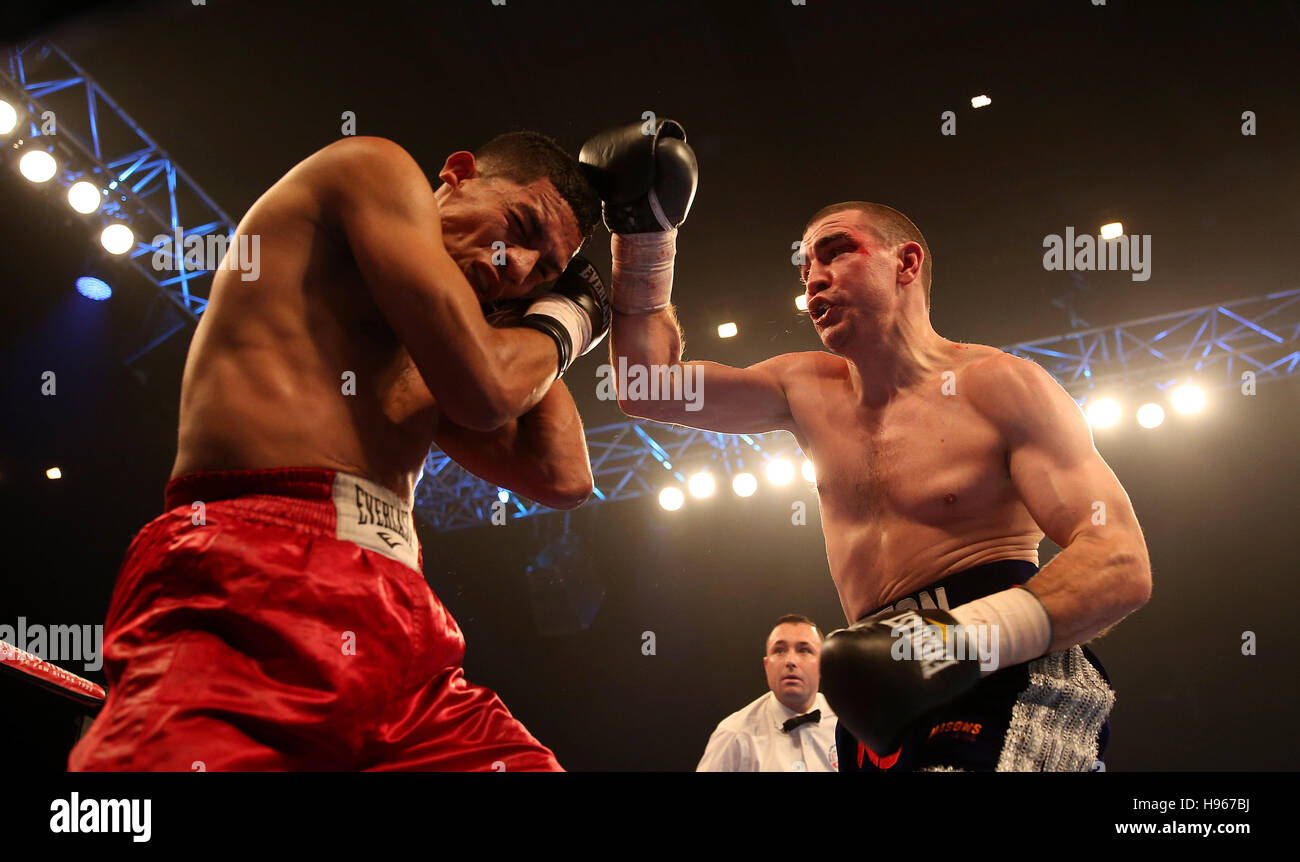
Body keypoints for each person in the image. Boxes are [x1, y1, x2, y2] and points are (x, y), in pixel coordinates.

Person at [585, 120, 1151, 772]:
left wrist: (953, 641)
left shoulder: (1001, 385)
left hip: (1004, 664)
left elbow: (1119, 562)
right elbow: (644, 386)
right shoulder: (802, 387)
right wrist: (644, 232)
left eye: (835, 253)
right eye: (805, 267)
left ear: (905, 263)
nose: (813, 280)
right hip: (876, 689)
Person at [69, 131, 609, 771]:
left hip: (403, 621)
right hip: (252, 574)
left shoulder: (453, 345)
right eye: (518, 226)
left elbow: (563, 476)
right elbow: (490, 390)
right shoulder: (371, 167)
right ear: (459, 173)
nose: (517, 265)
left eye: (544, 270)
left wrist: (541, 317)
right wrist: (569, 316)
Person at [697, 615, 838, 772]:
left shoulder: (847, 722)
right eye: (779, 650)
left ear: (822, 663)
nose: (790, 660)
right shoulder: (734, 735)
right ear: (767, 665)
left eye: (804, 650)